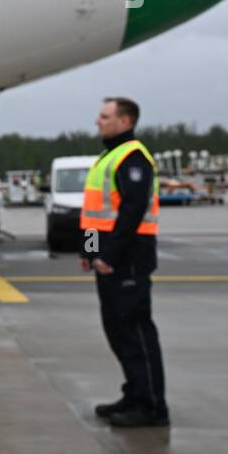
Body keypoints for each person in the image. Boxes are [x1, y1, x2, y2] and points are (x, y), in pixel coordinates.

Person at [79, 97, 168, 427]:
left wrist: (109, 255)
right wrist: (89, 251)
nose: (97, 121)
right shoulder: (109, 157)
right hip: (109, 259)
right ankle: (135, 394)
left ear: (125, 121)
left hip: (128, 258)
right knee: (117, 330)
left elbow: (131, 212)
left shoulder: (133, 158)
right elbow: (96, 212)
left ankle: (152, 407)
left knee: (134, 330)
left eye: (104, 116)